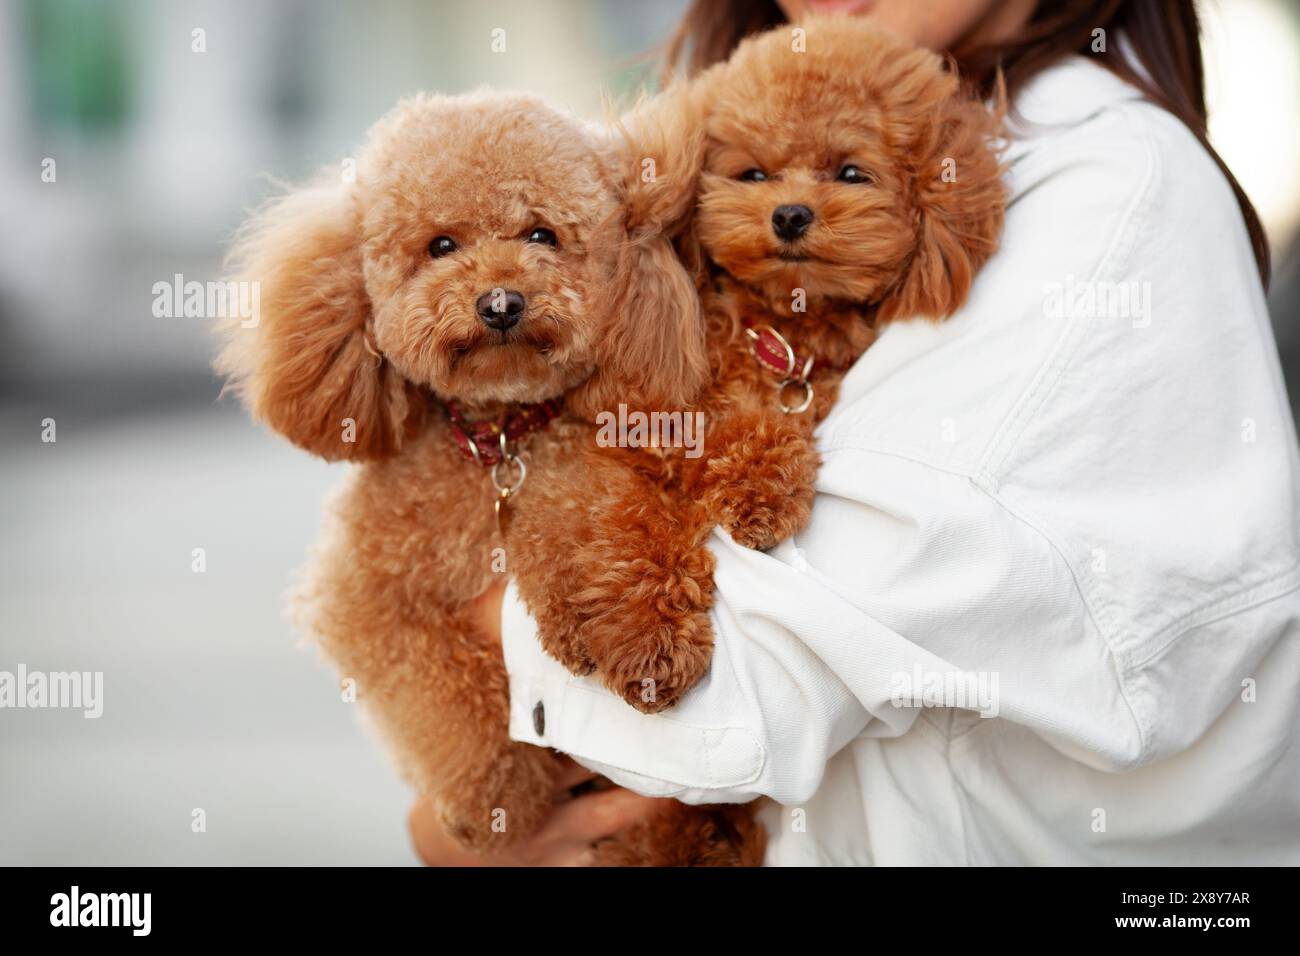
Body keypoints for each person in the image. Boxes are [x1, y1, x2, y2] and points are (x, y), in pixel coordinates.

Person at [412, 0, 1300, 865]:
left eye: (848, 174)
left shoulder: (1103, 187)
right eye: (752, 176)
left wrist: (471, 618)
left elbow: (732, 694)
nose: (792, 207)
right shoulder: (700, 189)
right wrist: (463, 805)